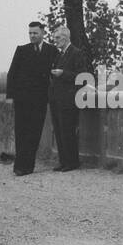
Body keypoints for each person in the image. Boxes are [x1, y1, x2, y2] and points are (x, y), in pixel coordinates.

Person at [5, 21, 58, 176]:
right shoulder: (22, 50)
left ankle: (28, 166)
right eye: (30, 33)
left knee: (34, 133)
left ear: (43, 33)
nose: (32, 36)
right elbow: (11, 74)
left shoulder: (51, 50)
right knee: (21, 132)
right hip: (22, 99)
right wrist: (10, 96)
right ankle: (20, 167)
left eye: (35, 33)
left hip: (40, 99)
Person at [47, 25, 91, 172]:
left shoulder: (76, 53)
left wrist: (63, 73)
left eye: (58, 38)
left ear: (65, 38)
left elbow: (83, 76)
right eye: (54, 38)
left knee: (68, 131)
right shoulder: (59, 55)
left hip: (69, 99)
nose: (55, 41)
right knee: (59, 131)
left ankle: (72, 162)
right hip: (57, 99)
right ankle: (63, 161)